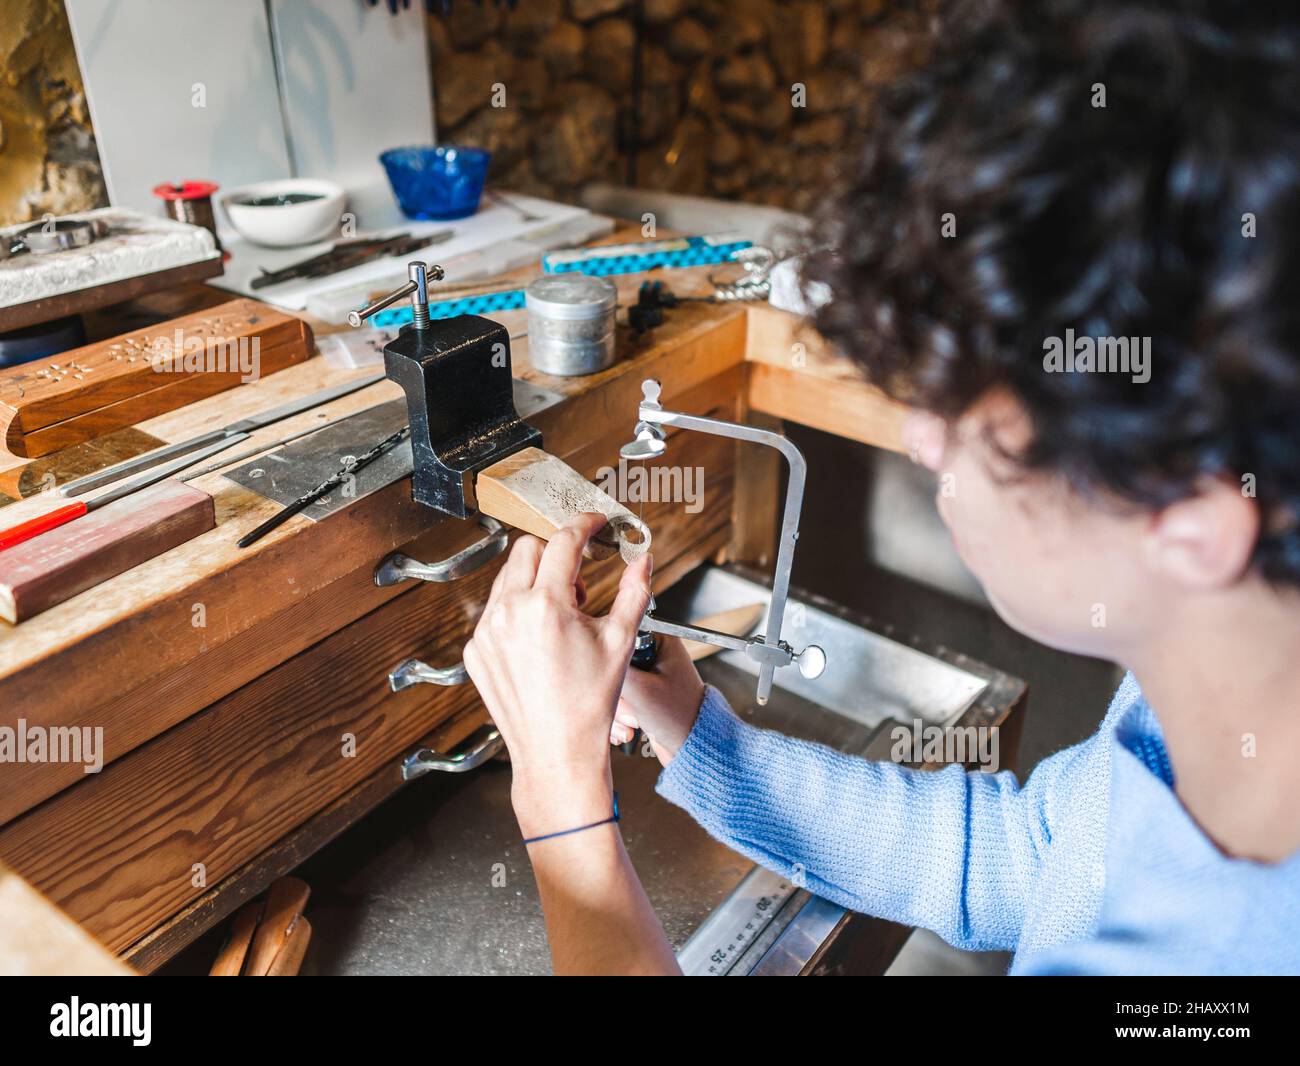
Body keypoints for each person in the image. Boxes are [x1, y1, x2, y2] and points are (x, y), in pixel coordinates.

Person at [461, 0, 1300, 975]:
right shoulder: (1208, 698)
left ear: (1191, 521)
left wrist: (561, 806)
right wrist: (693, 732)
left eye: (964, 413)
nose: (917, 436)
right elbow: (1028, 862)